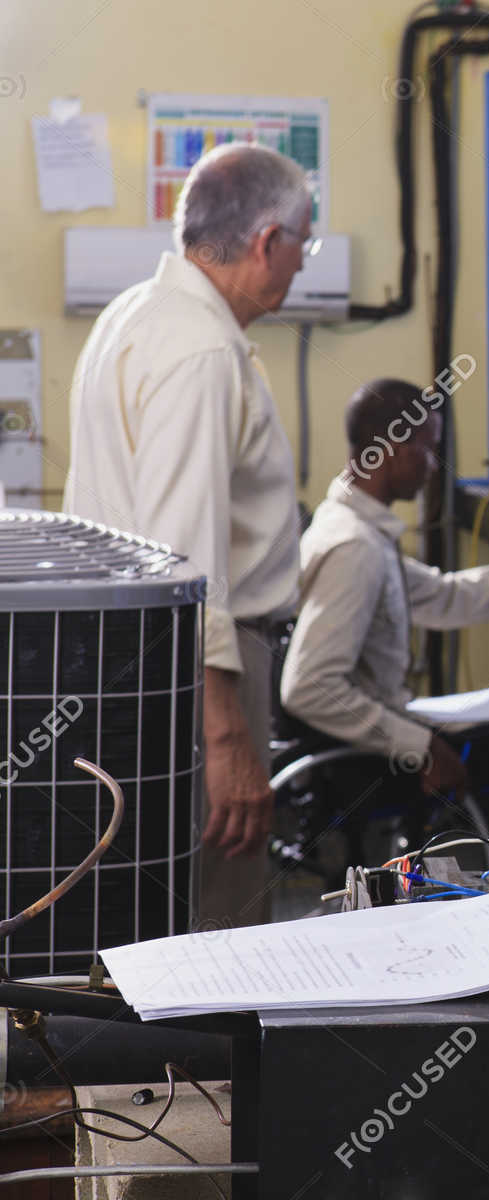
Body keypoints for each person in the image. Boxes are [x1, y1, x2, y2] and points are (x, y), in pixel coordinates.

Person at [64, 142, 315, 926]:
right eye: (303, 243)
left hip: (135, 660)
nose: (303, 264)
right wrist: (228, 739)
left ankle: (146, 1053)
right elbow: (185, 559)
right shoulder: (202, 350)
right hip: (199, 671)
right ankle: (202, 1057)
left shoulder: (135, 315)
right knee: (216, 918)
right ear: (268, 240)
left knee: (147, 904)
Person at [279, 378, 489, 849]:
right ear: (393, 449)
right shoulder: (354, 548)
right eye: (428, 449)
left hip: (376, 741)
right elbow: (308, 688)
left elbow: (449, 597)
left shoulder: (356, 529)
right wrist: (422, 747)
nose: (433, 465)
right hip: (369, 762)